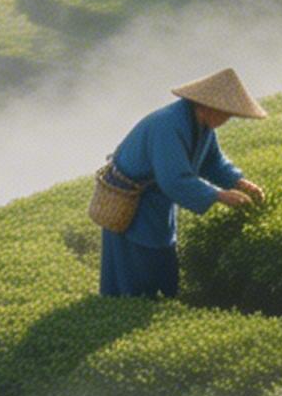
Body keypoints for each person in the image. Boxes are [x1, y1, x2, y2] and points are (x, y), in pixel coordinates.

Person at [100, 67, 267, 298]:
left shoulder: (202, 126)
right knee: (135, 270)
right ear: (208, 106)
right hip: (134, 206)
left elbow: (212, 162)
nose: (227, 120)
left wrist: (239, 182)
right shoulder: (168, 125)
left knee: (163, 260)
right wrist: (218, 195)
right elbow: (173, 178)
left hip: (157, 206)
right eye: (226, 114)